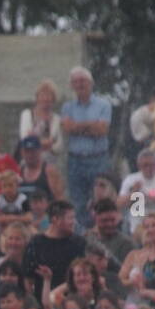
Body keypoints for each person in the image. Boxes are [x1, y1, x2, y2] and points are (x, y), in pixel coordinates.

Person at [61, 67, 113, 230]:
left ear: (91, 83)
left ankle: (102, 231)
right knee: (78, 202)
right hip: (75, 160)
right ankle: (83, 235)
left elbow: (102, 130)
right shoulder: (67, 107)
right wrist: (91, 125)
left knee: (101, 199)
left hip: (98, 159)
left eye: (82, 81)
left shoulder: (104, 104)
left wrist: (78, 126)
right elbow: (68, 128)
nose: (79, 84)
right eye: (75, 82)